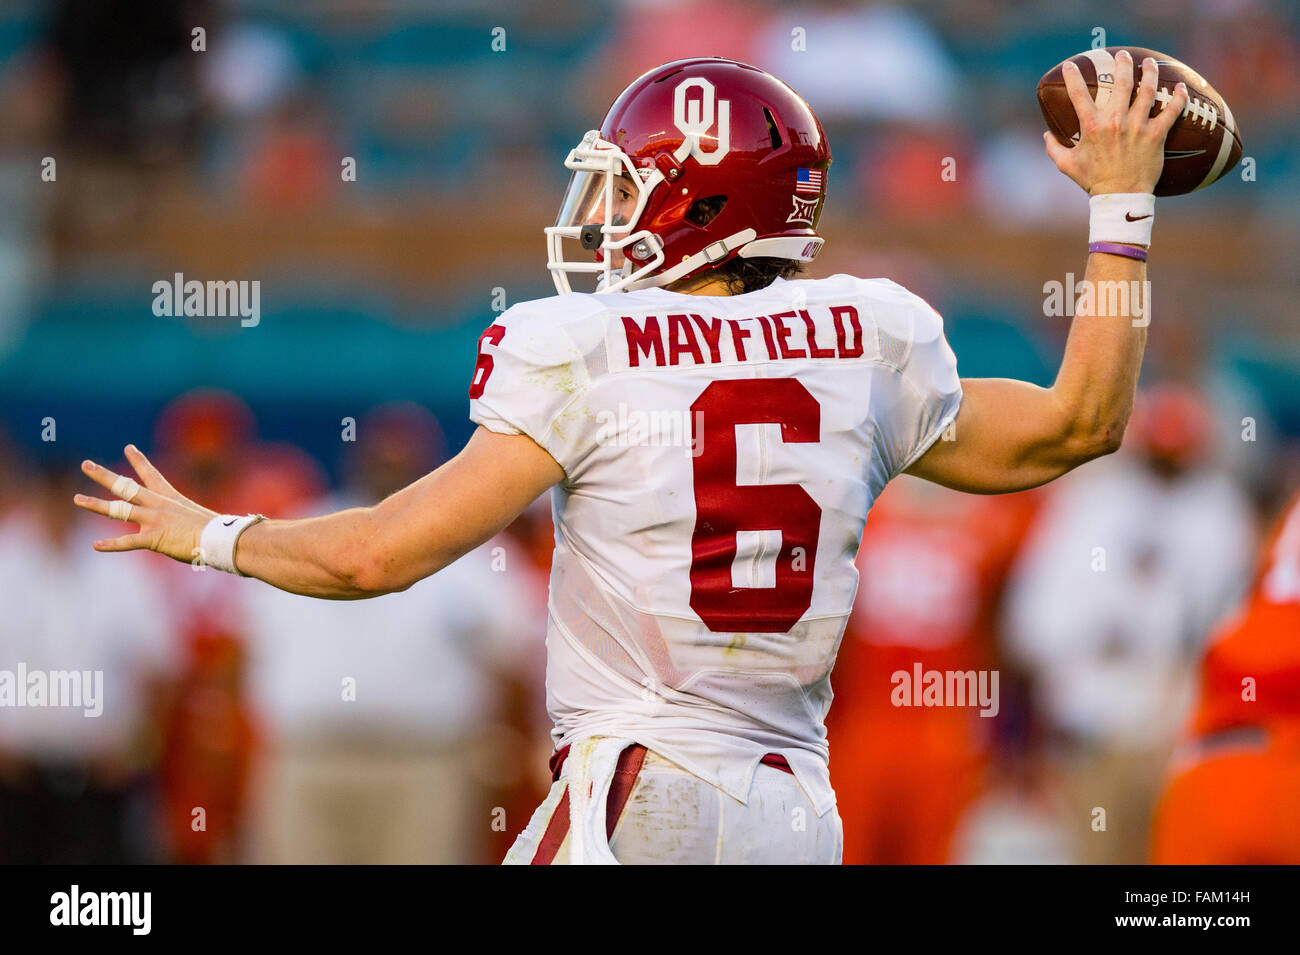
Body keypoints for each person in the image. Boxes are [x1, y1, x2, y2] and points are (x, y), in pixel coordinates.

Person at [73, 54, 1188, 864]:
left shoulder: (586, 349)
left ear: (696, 194)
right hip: (791, 813)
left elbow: (376, 556)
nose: (603, 213)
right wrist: (1119, 207)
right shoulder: (866, 338)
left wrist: (209, 534)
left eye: (621, 185)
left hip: (643, 790)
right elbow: (1075, 423)